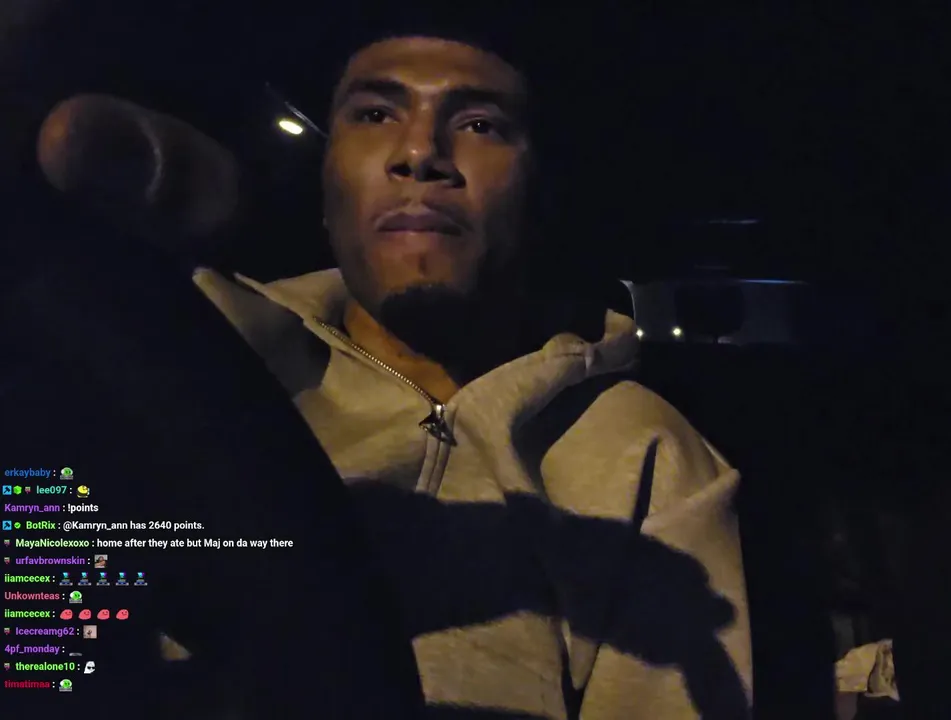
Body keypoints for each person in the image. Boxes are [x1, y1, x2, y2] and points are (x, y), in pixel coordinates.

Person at [152, 28, 752, 719]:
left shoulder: (646, 453)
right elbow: (56, 614)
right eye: (375, 114)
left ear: (536, 198)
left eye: (479, 125)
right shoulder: (190, 363)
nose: (419, 153)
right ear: (326, 187)